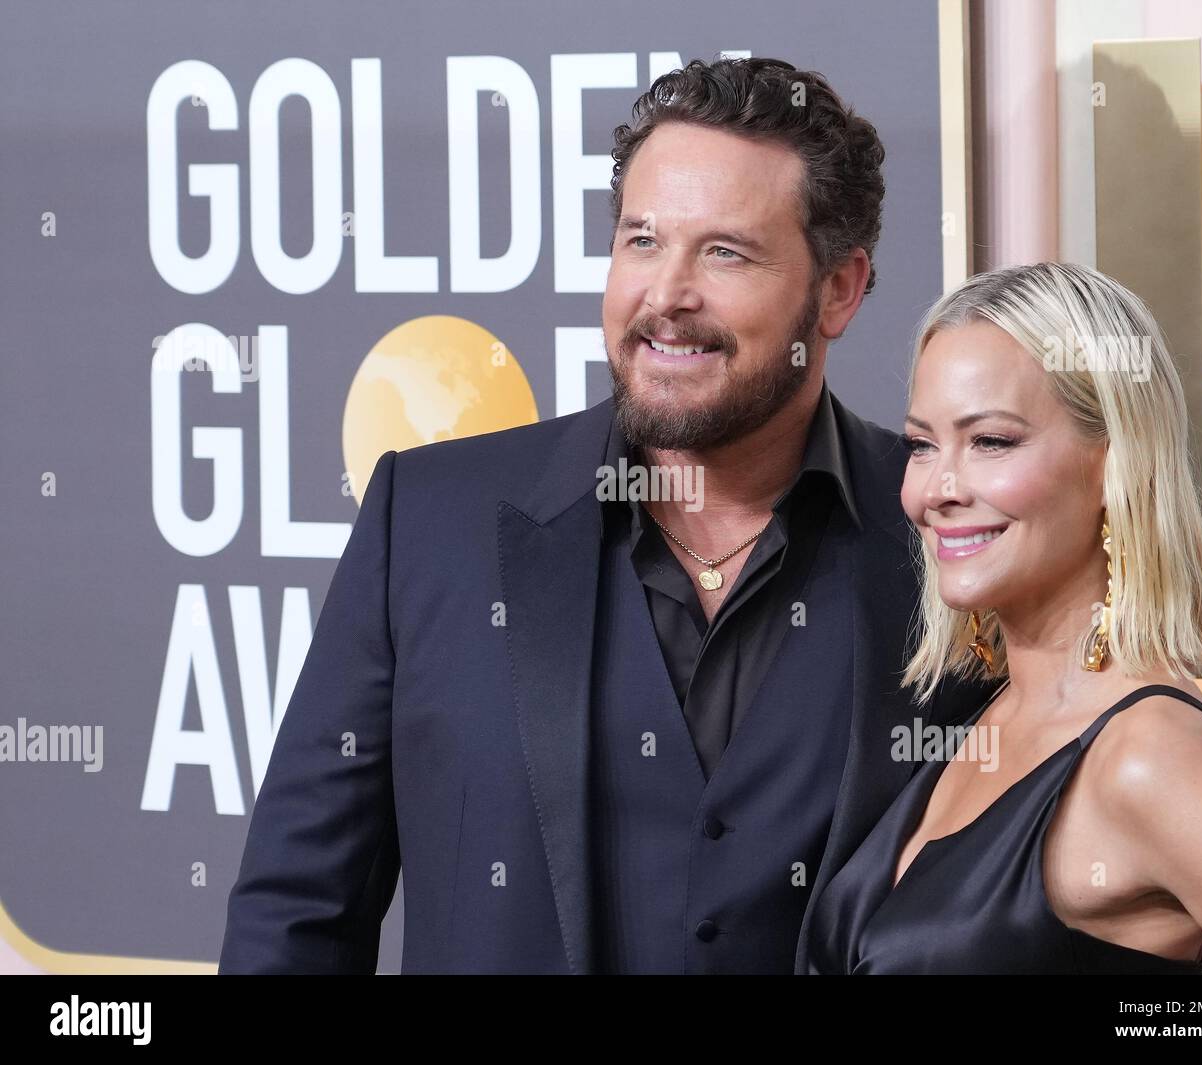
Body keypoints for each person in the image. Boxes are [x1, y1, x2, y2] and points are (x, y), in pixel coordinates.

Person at [217, 56, 989, 974]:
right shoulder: (428, 522)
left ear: (839, 289)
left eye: (725, 252)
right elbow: (296, 914)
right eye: (642, 241)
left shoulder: (953, 532)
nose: (666, 296)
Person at [802, 262, 1202, 974]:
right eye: (921, 444)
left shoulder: (1151, 757)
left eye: (992, 441)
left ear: (1112, 463)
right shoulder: (983, 714)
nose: (937, 490)